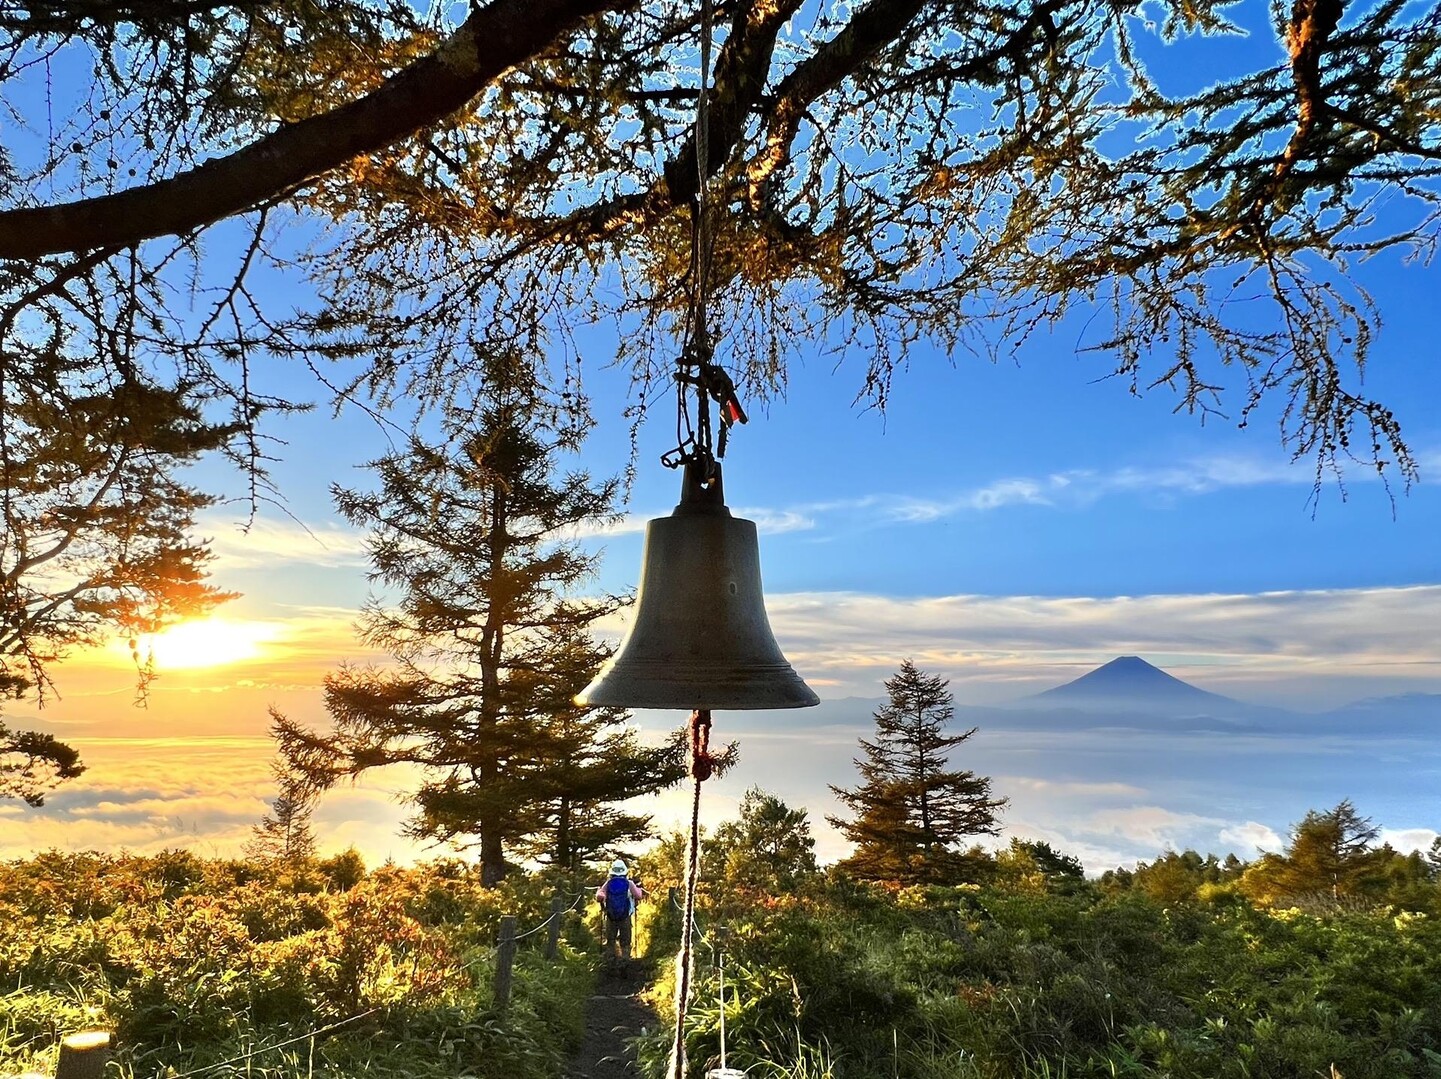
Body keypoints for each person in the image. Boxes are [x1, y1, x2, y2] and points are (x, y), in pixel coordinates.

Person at [595, 858, 645, 960]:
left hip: (610, 915)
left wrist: (601, 896)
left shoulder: (609, 883)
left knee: (611, 939)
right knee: (625, 939)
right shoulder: (629, 883)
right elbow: (638, 896)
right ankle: (626, 960)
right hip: (625, 915)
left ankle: (610, 960)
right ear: (625, 871)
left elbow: (599, 895)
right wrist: (639, 889)